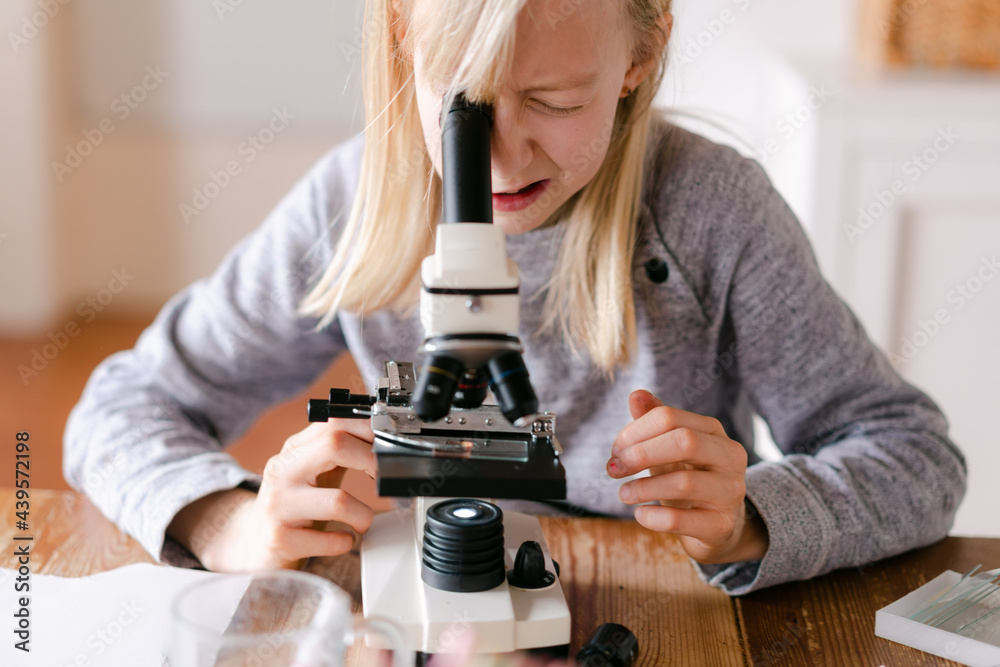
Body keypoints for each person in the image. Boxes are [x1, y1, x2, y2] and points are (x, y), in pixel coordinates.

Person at [65, 0, 966, 599]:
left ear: (638, 59)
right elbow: (118, 409)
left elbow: (916, 456)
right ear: (402, 41)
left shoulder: (710, 213)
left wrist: (752, 515)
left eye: (551, 100)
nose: (496, 161)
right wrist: (230, 522)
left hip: (652, 611)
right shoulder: (351, 205)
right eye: (461, 102)